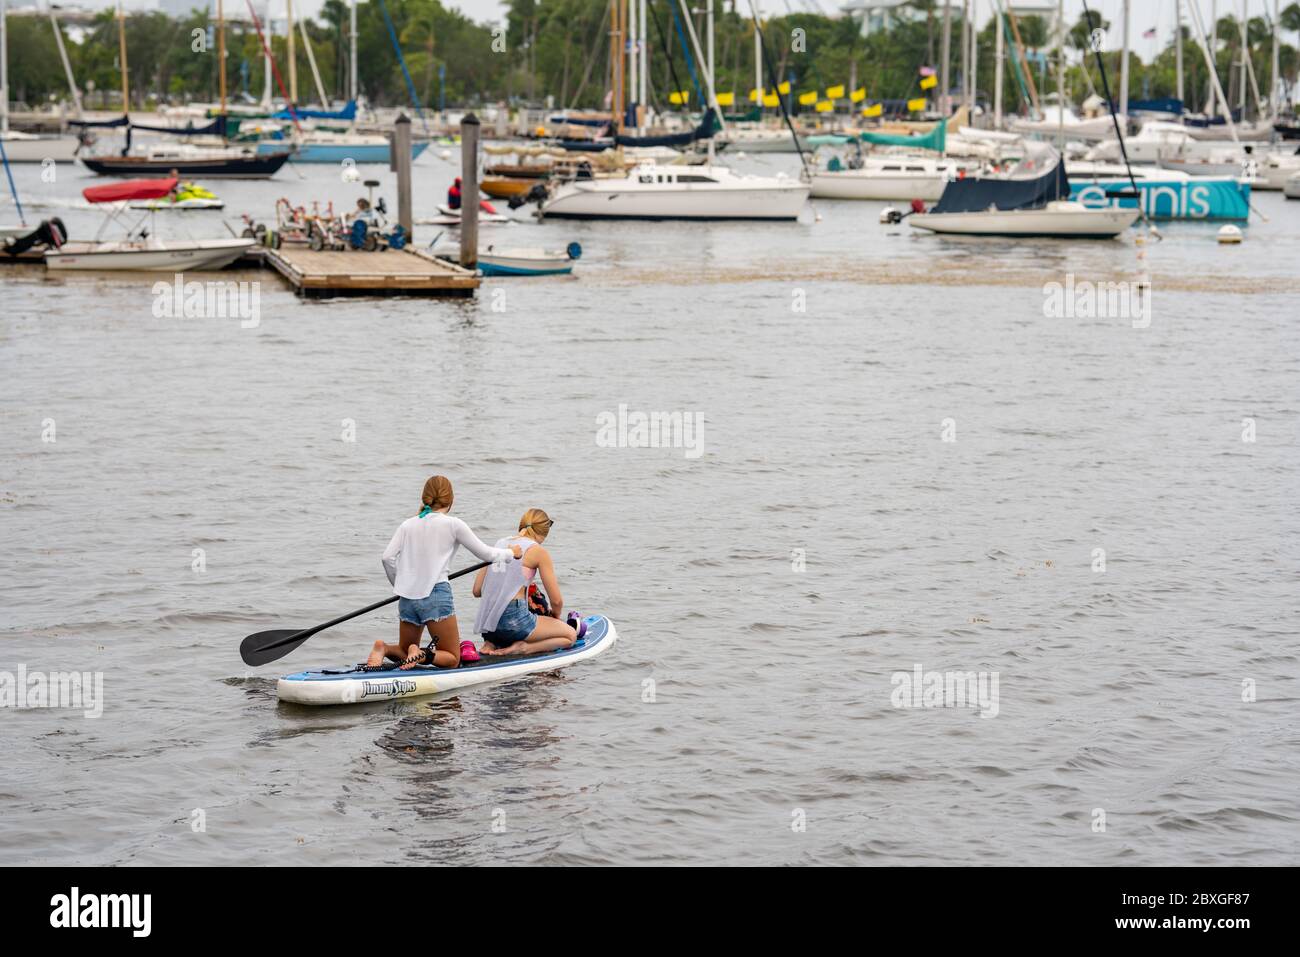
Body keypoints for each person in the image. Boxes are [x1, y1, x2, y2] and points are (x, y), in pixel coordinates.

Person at [365, 476, 521, 671]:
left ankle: (384, 648)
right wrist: (511, 553)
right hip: (436, 595)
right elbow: (486, 554)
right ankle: (422, 654)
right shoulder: (453, 524)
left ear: (424, 498)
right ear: (451, 500)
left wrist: (401, 585)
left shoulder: (407, 525)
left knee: (404, 652)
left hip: (407, 597)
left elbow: (387, 558)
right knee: (452, 658)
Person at [472, 509, 576, 657]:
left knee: (507, 626)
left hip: (488, 626)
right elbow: (556, 601)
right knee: (569, 636)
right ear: (544, 533)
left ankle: (491, 643)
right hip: (514, 622)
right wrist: (555, 616)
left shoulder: (499, 544)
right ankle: (523, 648)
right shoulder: (538, 551)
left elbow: (477, 590)